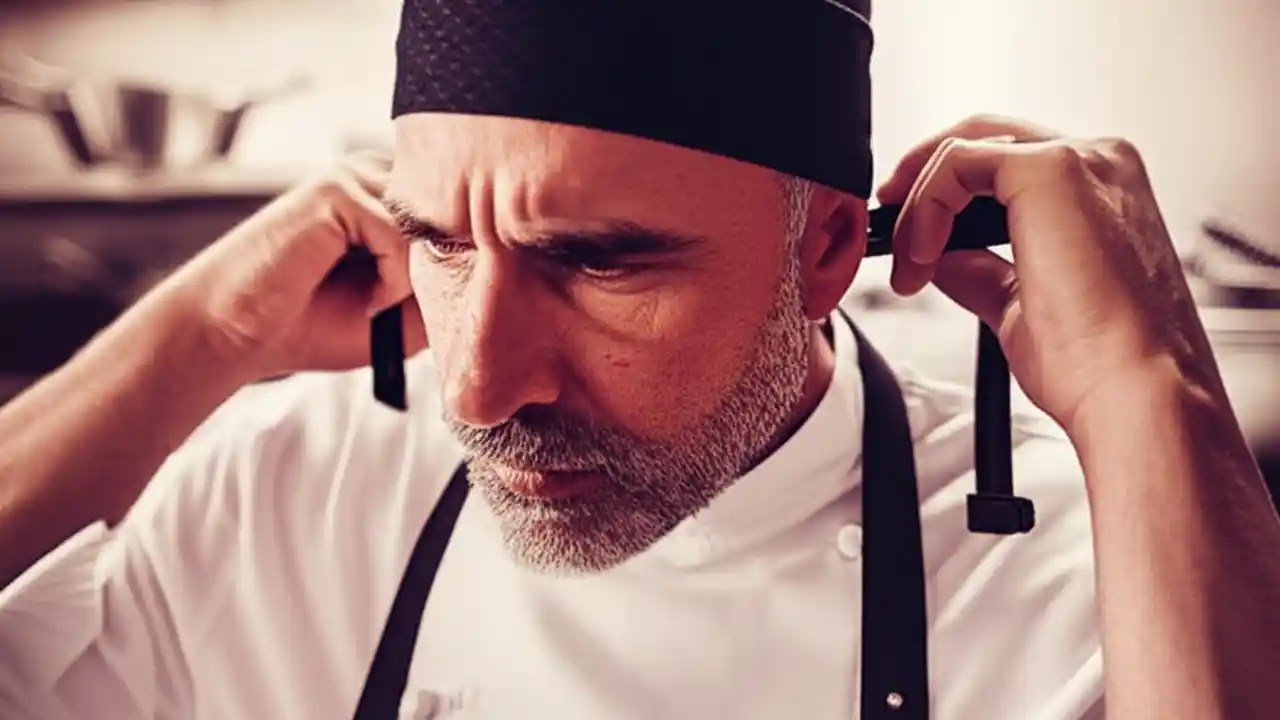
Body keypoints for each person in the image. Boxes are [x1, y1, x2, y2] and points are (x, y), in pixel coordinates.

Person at [2, 3, 1279, 719]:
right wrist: (205, 331)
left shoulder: (1092, 579)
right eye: (437, 245)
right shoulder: (281, 499)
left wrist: (1144, 395)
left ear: (828, 251)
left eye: (598, 261)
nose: (474, 390)